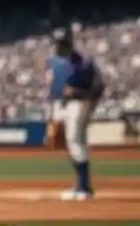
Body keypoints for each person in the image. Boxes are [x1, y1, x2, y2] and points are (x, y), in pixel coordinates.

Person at [53, 30, 105, 200]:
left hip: (80, 102)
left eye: (59, 43)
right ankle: (83, 186)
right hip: (76, 103)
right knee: (76, 141)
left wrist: (79, 94)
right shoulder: (71, 61)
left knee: (75, 140)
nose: (56, 47)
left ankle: (83, 187)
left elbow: (98, 86)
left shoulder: (78, 62)